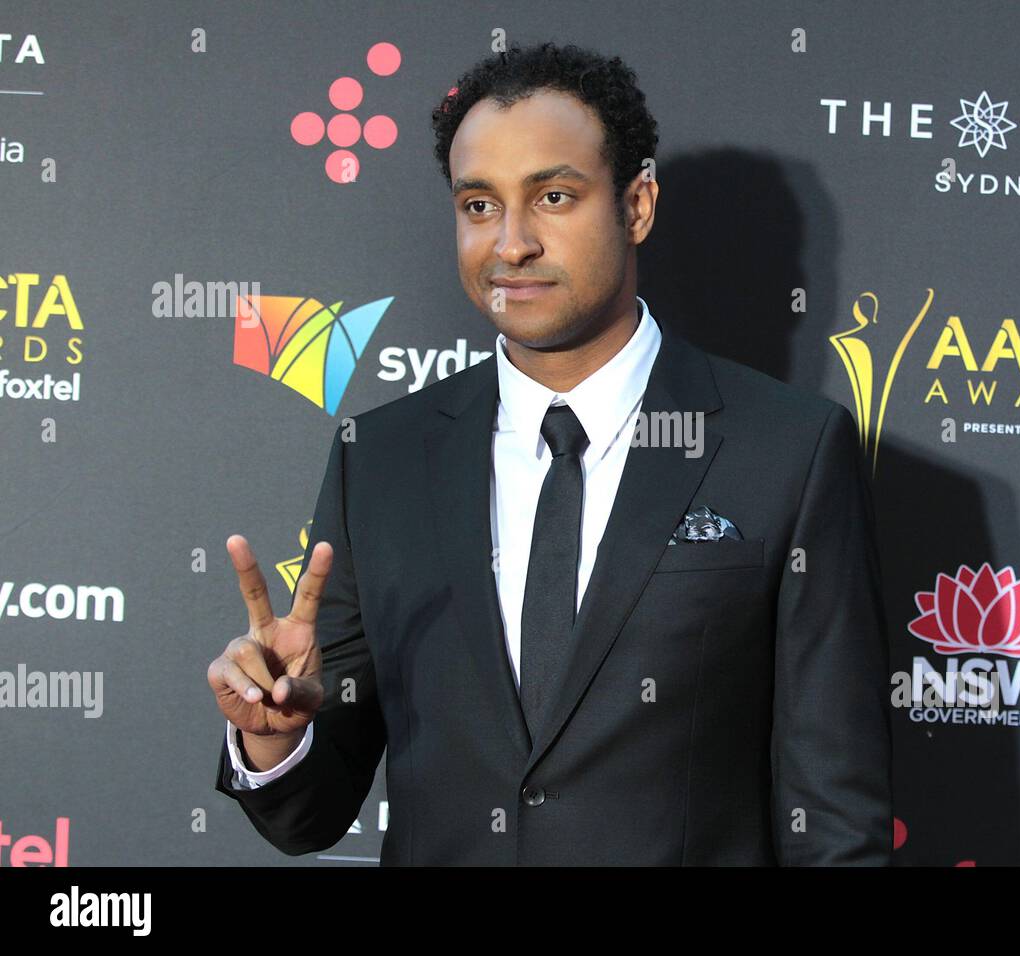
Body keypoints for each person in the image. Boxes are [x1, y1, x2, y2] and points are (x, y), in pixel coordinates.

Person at [209, 41, 892, 865]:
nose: (512, 244)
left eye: (555, 196)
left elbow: (834, 818)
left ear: (636, 205)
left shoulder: (789, 448)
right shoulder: (380, 459)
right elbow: (308, 818)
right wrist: (276, 740)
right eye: (479, 206)